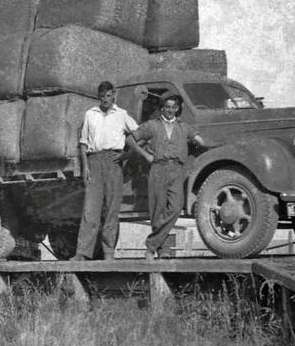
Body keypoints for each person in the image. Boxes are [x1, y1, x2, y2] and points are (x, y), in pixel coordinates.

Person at [131, 93, 217, 261]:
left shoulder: (184, 127)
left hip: (177, 170)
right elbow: (131, 139)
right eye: (167, 107)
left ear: (178, 109)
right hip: (158, 169)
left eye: (174, 107)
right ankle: (163, 251)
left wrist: (220, 143)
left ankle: (151, 244)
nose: (170, 110)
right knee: (158, 211)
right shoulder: (152, 126)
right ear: (162, 108)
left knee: (176, 207)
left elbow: (201, 141)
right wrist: (144, 155)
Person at [70, 81, 139, 261]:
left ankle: (109, 252)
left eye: (108, 96)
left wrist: (126, 155)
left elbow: (140, 135)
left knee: (111, 209)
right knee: (90, 210)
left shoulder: (122, 115)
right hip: (94, 161)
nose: (105, 100)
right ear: (98, 97)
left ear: (114, 95)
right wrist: (85, 167)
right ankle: (82, 253)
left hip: (113, 161)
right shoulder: (90, 114)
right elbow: (83, 143)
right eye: (102, 96)